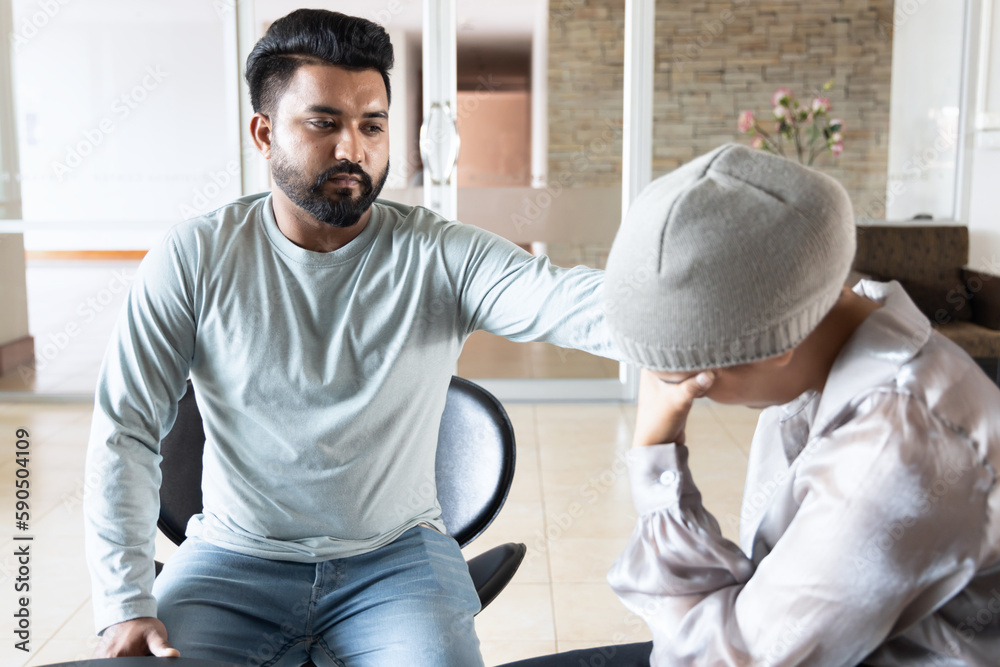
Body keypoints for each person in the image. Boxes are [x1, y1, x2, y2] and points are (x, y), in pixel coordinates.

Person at [83, 9, 619, 665]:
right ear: (264, 132)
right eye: (324, 123)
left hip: (398, 560)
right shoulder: (195, 256)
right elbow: (125, 427)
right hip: (231, 559)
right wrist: (124, 600)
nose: (353, 150)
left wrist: (700, 309)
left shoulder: (438, 254)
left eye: (372, 125)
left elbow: (574, 303)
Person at [589, 144, 999, 666]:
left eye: (687, 379)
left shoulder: (892, 452)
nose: (671, 395)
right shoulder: (825, 354)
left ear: (774, 346)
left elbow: (728, 659)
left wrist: (656, 460)